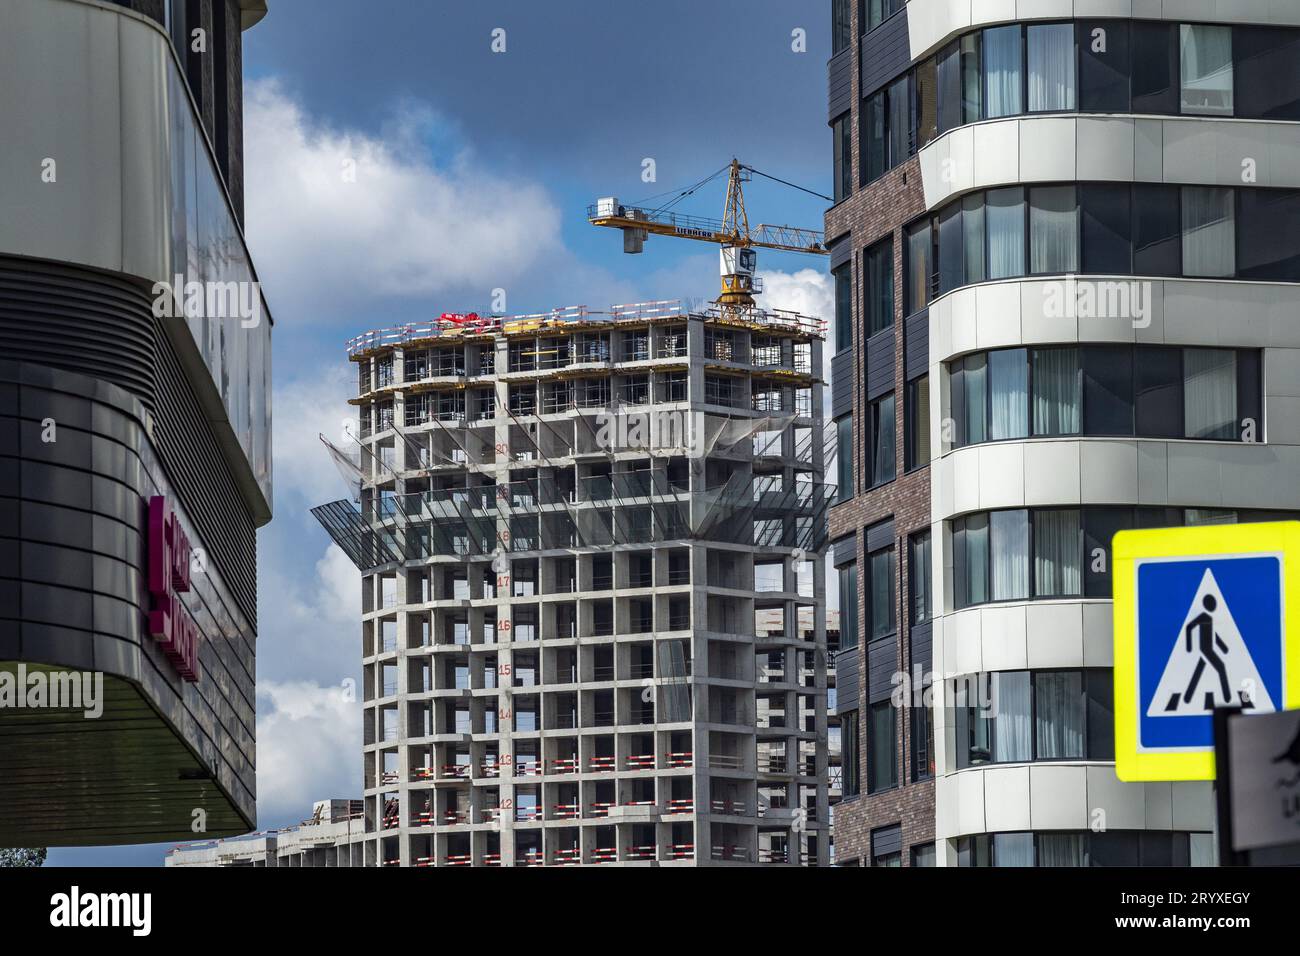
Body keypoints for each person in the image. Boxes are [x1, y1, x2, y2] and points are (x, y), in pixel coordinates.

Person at [1183, 594, 1232, 705]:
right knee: (1221, 668)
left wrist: (1223, 647)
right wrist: (1189, 646)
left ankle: (1187, 698)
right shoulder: (1203, 617)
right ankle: (1228, 698)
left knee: (1198, 672)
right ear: (1208, 605)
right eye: (1212, 603)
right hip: (1205, 649)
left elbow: (1213, 636)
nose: (1214, 606)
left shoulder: (1209, 618)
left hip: (1207, 649)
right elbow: (1189, 627)